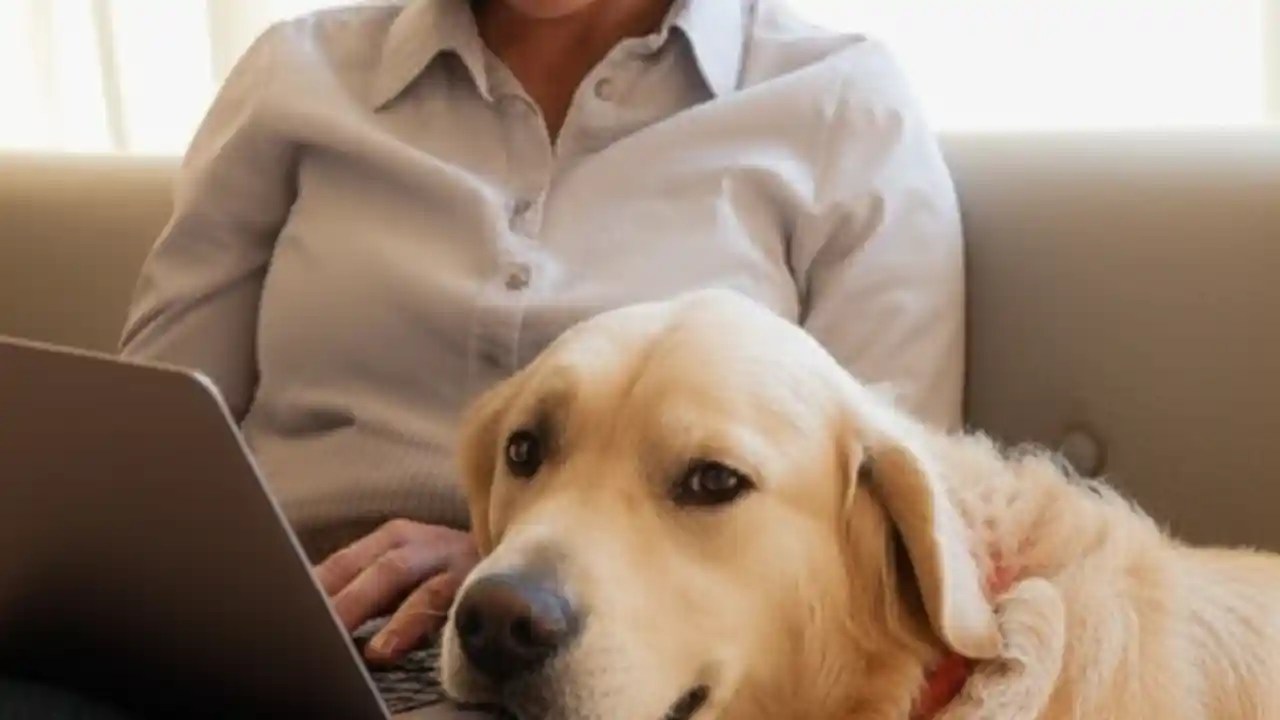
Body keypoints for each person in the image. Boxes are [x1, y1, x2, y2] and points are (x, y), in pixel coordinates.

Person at [1, 0, 964, 716]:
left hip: (596, 674)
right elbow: (141, 445)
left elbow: (889, 519)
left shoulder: (839, 104)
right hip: (257, 639)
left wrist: (510, 557)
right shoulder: (294, 75)